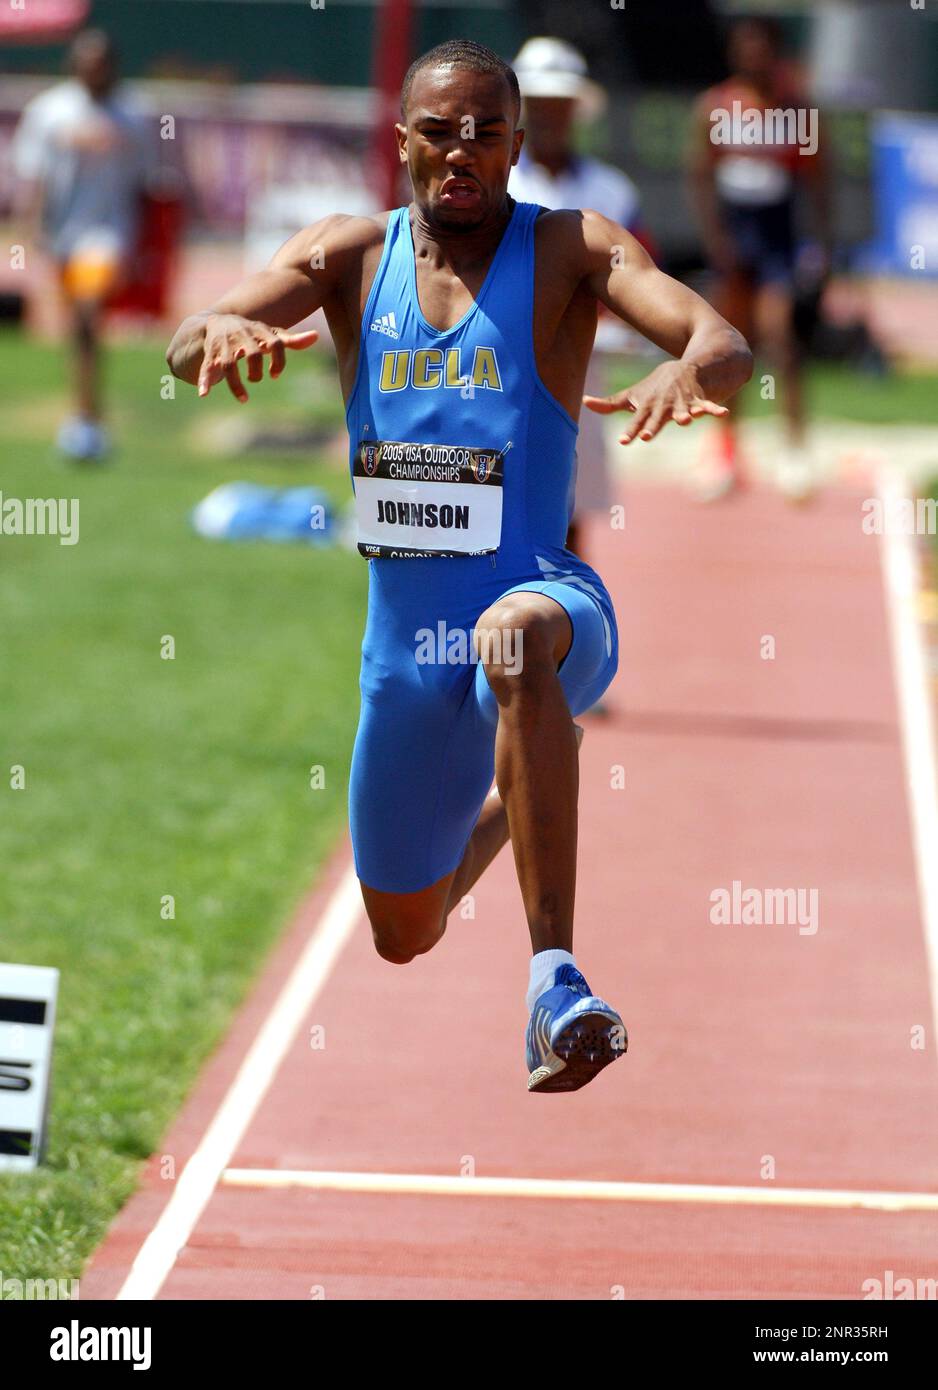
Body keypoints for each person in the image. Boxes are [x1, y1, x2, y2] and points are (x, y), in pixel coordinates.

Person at [166, 39, 751, 1093]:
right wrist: (210, 329)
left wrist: (691, 366)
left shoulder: (569, 246)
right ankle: (523, 782)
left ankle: (554, 982)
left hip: (548, 604)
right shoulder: (346, 255)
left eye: (486, 131)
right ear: (401, 142)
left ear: (519, 144)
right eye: (439, 131)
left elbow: (717, 335)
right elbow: (194, 331)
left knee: (510, 638)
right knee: (403, 930)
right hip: (403, 662)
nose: (462, 152)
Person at [509, 37, 656, 566]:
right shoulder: (490, 179)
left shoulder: (611, 192)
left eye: (559, 102)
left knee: (567, 503)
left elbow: (642, 283)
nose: (548, 114)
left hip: (580, 370)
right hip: (496, 360)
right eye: (538, 101)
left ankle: (566, 618)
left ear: (576, 109)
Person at [689, 15, 831, 501]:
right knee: (730, 345)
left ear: (775, 50)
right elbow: (702, 176)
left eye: (761, 45)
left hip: (778, 237)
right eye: (743, 45)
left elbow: (818, 179)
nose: (752, 54)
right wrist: (715, 240)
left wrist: (824, 247)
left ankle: (793, 449)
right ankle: (726, 451)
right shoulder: (715, 105)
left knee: (779, 334)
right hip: (735, 238)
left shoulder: (796, 109)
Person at [11, 29, 149, 461]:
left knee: (89, 315)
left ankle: (87, 418)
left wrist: (150, 246)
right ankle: (85, 415)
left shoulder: (134, 114)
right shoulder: (49, 112)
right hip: (62, 234)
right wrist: (29, 227)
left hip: (109, 234)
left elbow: (146, 183)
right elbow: (33, 175)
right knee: (77, 326)